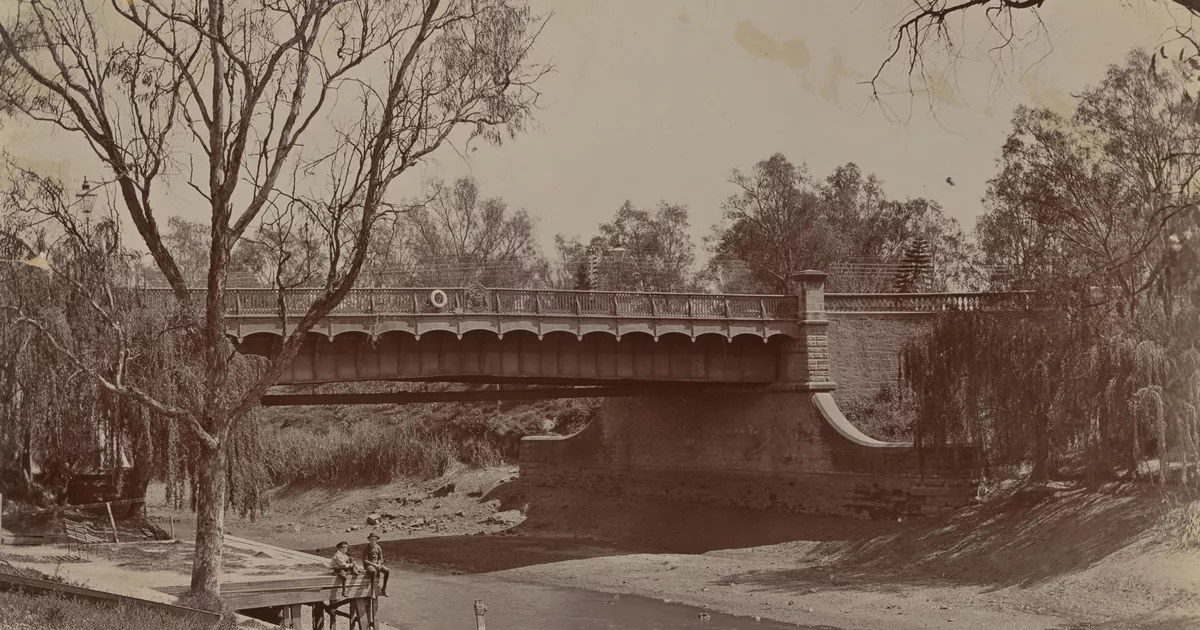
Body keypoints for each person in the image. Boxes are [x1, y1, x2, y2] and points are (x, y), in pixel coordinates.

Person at [361, 532, 390, 597]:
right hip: (369, 565)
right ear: (369, 540)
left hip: (377, 564)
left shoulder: (378, 547)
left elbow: (381, 558)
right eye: (372, 540)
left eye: (375, 540)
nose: (373, 541)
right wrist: (374, 565)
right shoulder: (366, 548)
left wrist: (379, 563)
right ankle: (373, 591)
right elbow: (365, 560)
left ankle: (384, 588)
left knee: (387, 570)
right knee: (373, 571)